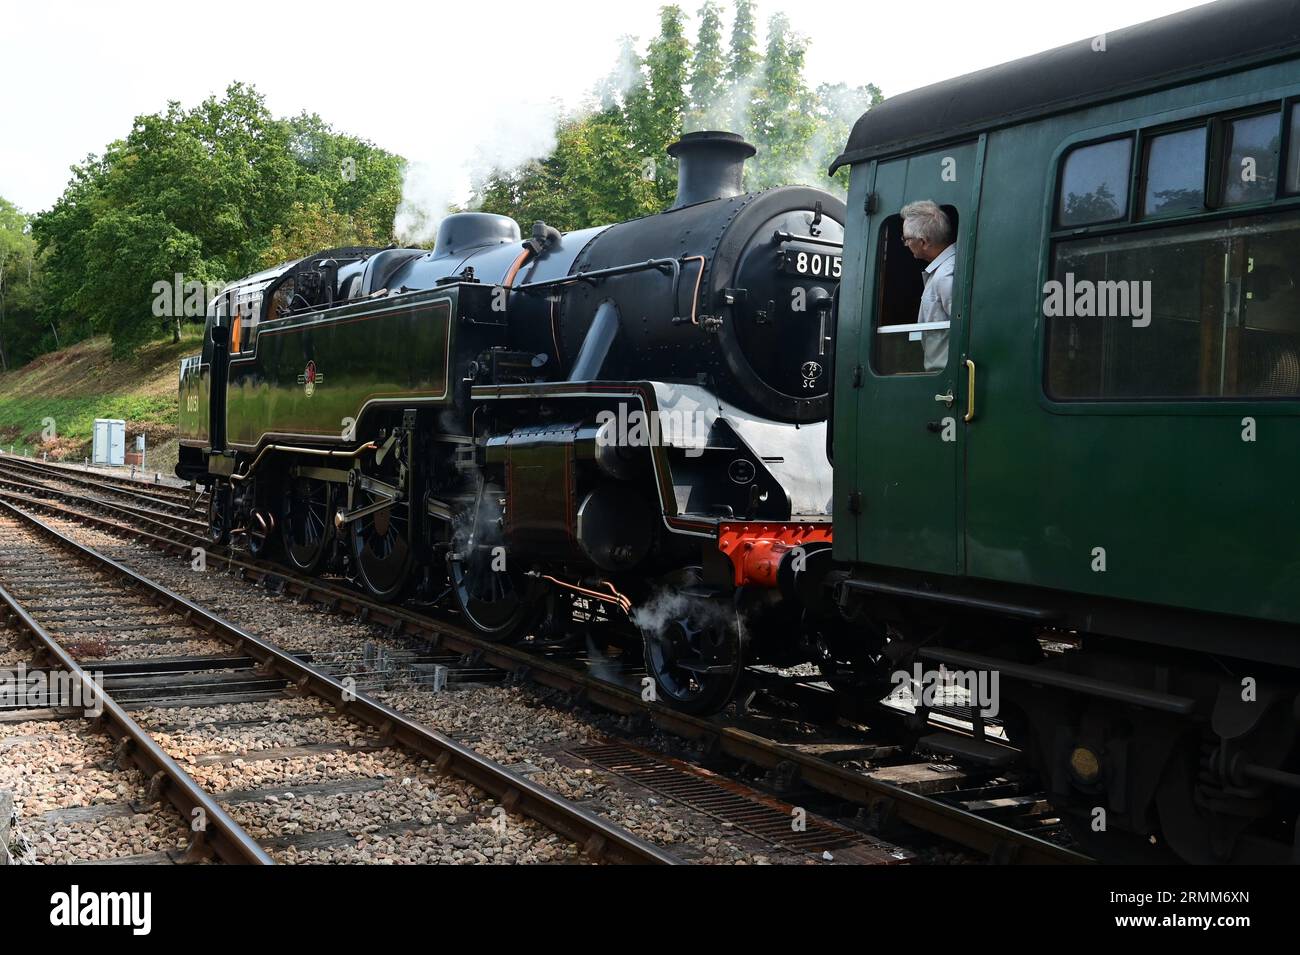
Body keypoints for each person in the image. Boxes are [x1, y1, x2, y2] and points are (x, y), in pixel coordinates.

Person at [900, 201, 956, 372]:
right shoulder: (943, 270)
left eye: (907, 239)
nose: (906, 244)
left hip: (943, 376)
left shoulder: (947, 276)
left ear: (923, 242)